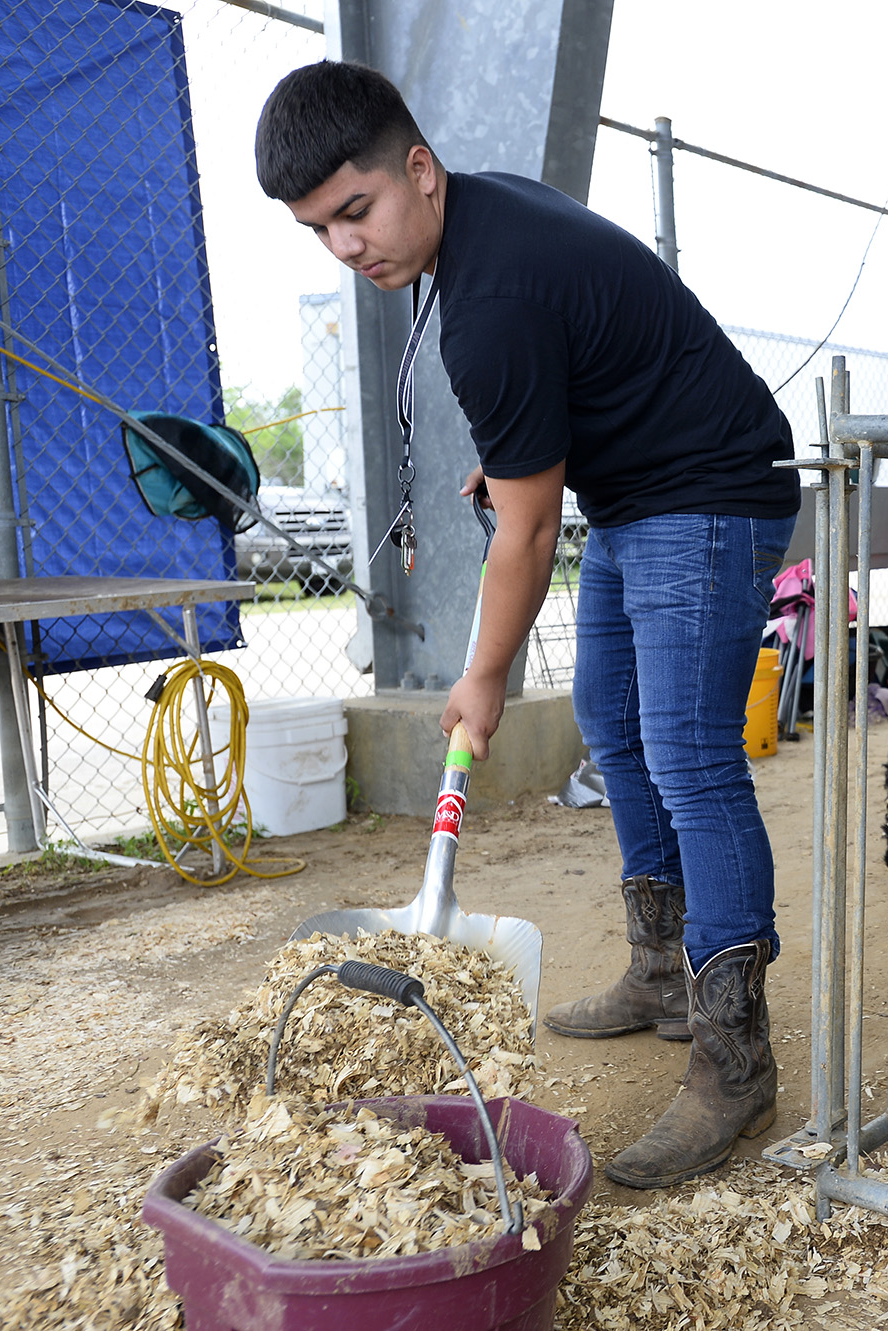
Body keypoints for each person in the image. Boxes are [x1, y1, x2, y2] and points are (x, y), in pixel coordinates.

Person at [256, 62, 799, 1189]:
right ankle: (661, 965)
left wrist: (482, 675)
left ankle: (734, 1056)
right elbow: (541, 446)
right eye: (319, 232)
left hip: (704, 488)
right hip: (638, 485)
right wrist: (517, 471)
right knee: (610, 711)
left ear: (418, 170)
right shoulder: (475, 231)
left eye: (354, 212)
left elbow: (529, 529)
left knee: (693, 750)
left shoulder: (487, 300)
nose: (347, 249)